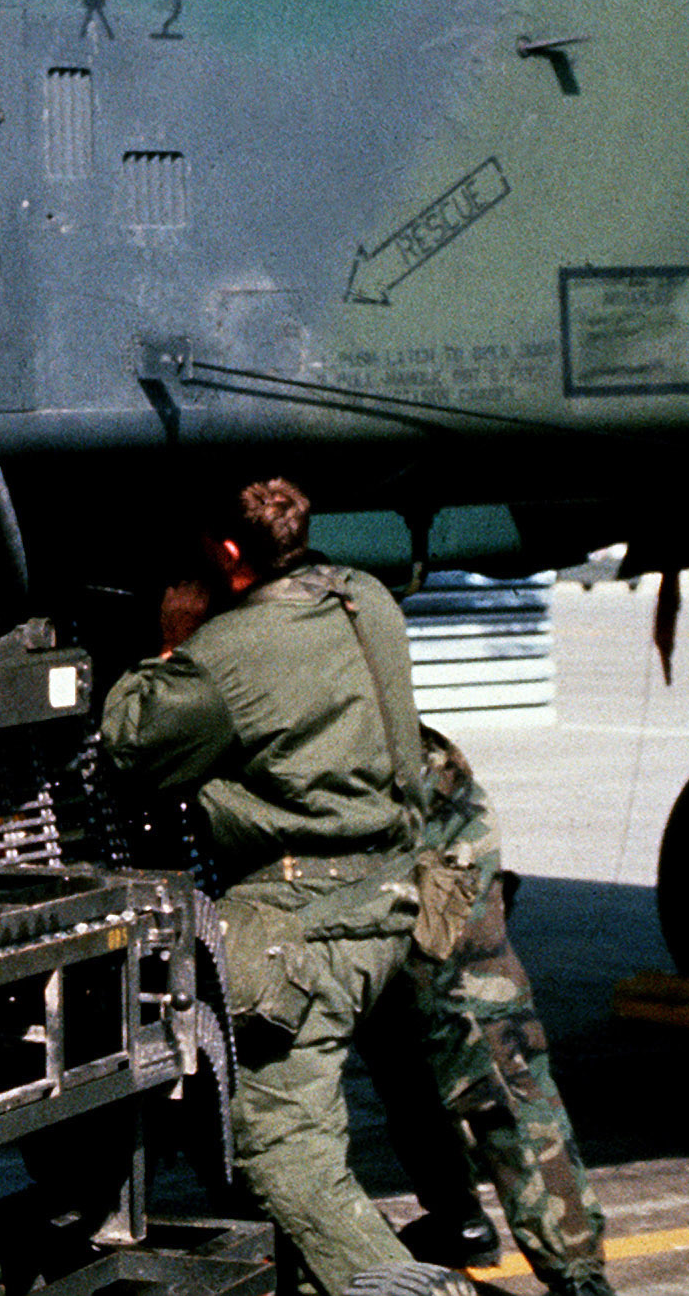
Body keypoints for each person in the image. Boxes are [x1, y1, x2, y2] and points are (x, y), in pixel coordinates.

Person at [98, 478, 456, 1296]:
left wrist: (172, 641)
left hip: (306, 925)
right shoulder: (366, 598)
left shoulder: (226, 657)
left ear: (226, 553)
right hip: (395, 902)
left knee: (281, 1149)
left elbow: (132, 740)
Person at [364, 728, 615, 1296]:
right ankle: (457, 1217)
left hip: (413, 808)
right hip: (350, 807)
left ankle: (577, 1273)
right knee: (393, 1029)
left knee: (486, 1043)